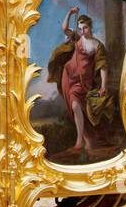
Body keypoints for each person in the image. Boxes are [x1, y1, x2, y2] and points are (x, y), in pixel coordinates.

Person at [47, 9, 113, 159]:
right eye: (80, 28)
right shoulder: (78, 39)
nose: (82, 31)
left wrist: (103, 85)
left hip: (85, 82)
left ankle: (87, 140)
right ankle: (79, 141)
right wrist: (70, 12)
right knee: (74, 105)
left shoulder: (97, 45)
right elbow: (64, 28)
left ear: (90, 27)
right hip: (69, 76)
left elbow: (103, 66)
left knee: (82, 107)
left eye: (85, 28)